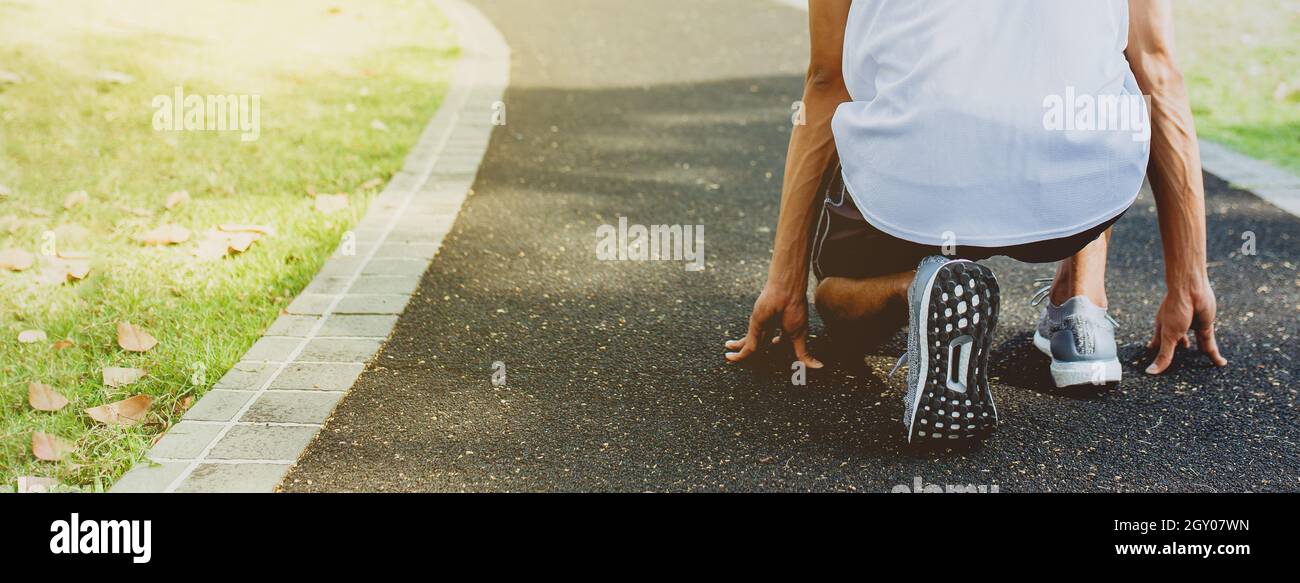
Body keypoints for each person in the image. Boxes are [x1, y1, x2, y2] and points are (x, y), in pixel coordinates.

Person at [723, 0, 1228, 442]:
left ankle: (913, 288)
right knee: (1092, 80)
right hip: (1073, 197)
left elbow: (826, 81)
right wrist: (1188, 277)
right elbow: (1157, 71)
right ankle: (1082, 305)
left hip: (916, 191)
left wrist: (784, 280)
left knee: (837, 297)